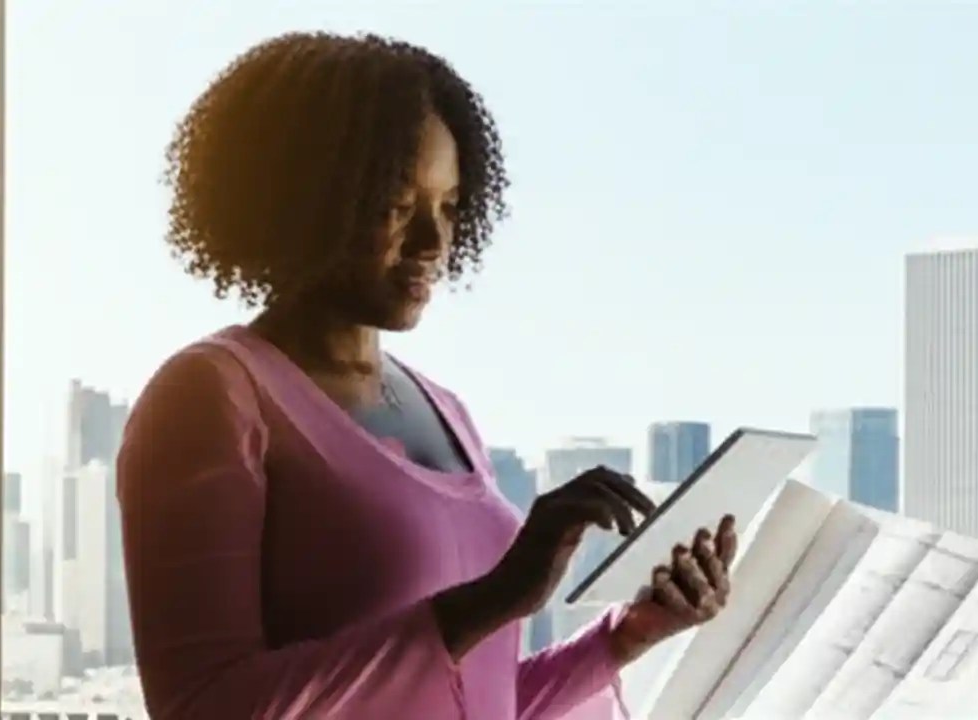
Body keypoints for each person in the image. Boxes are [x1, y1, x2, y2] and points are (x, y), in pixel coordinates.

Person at [116, 31, 737, 720]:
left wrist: (627, 636)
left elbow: (473, 700)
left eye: (446, 206)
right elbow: (204, 707)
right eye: (395, 205)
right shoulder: (212, 396)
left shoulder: (445, 410)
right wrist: (494, 598)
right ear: (301, 197)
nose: (433, 243)